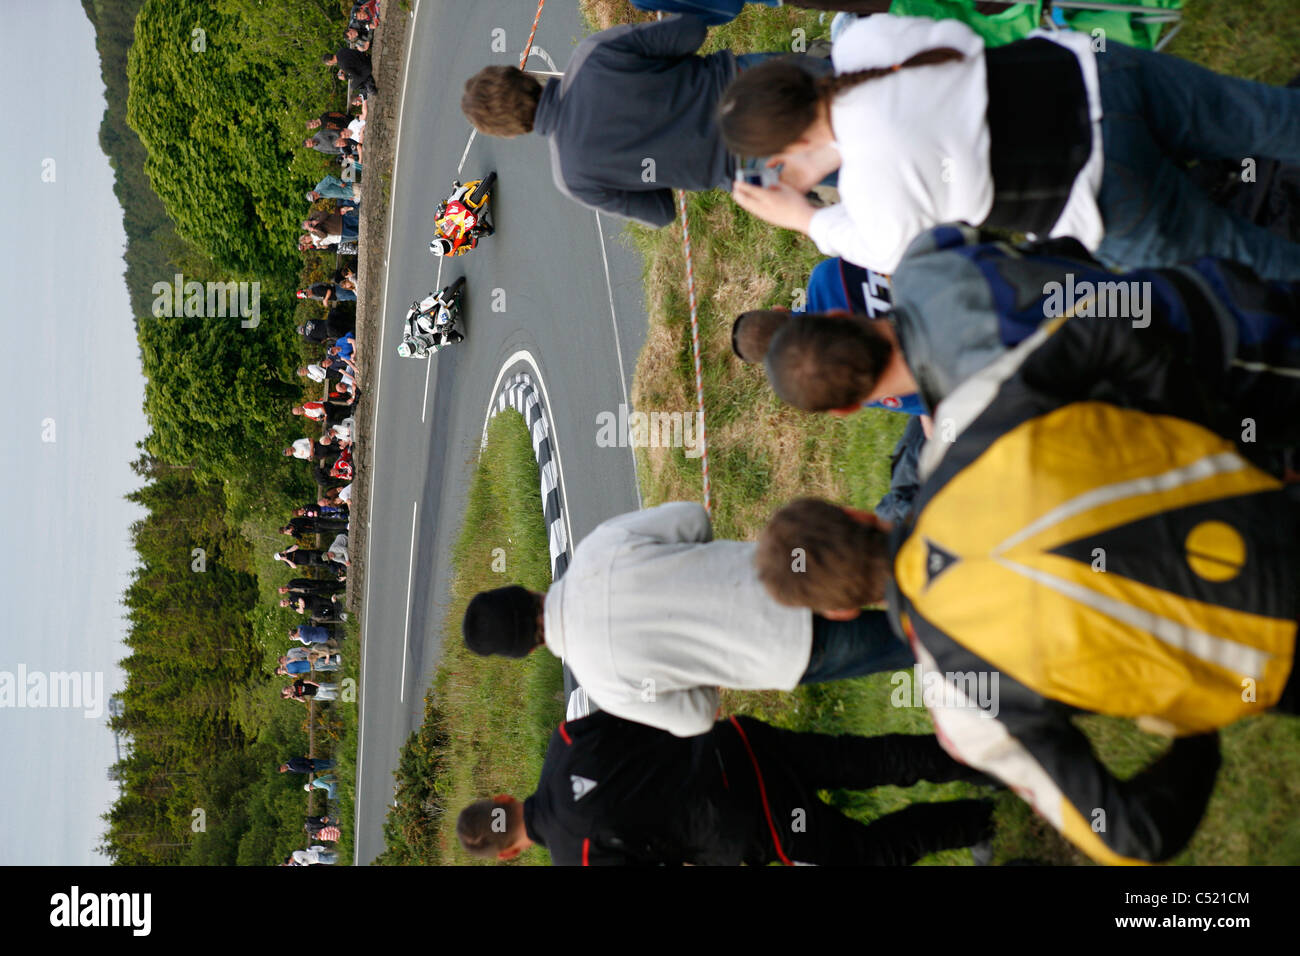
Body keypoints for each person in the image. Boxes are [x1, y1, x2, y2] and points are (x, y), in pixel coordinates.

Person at [751, 272, 1300, 864]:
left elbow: (1135, 836)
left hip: (1274, 659)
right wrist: (1213, 438)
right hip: (1271, 507)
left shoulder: (964, 703)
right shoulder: (970, 419)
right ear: (856, 511)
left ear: (841, 609)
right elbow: (1109, 317)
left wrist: (1199, 722)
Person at [722, 14, 1300, 279]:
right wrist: (830, 149)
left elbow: (902, 255)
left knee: (1259, 265)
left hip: (1105, 195)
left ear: (787, 147)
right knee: (1274, 120)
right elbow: (955, 42)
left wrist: (807, 220)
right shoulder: (867, 42)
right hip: (1103, 79)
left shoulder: (874, 189)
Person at [462, 502, 914, 737]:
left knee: (919, 640)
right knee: (901, 560)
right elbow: (693, 519)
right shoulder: (598, 549)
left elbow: (697, 718)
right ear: (523, 590)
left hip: (786, 651)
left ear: (525, 651)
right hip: (786, 569)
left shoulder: (602, 683)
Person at [457, 709, 995, 865]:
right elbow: (650, 713)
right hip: (737, 746)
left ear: (509, 857)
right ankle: (993, 757)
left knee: (869, 852)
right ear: (503, 799)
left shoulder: (582, 859)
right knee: (867, 759)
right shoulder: (567, 738)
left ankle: (976, 823)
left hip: (749, 823)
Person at [459, 13, 831, 228]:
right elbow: (691, 31)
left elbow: (662, 212)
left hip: (749, 162)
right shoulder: (592, 56)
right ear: (523, 74)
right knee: (868, 82)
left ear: (510, 133)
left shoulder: (574, 177)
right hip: (752, 81)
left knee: (871, 163)